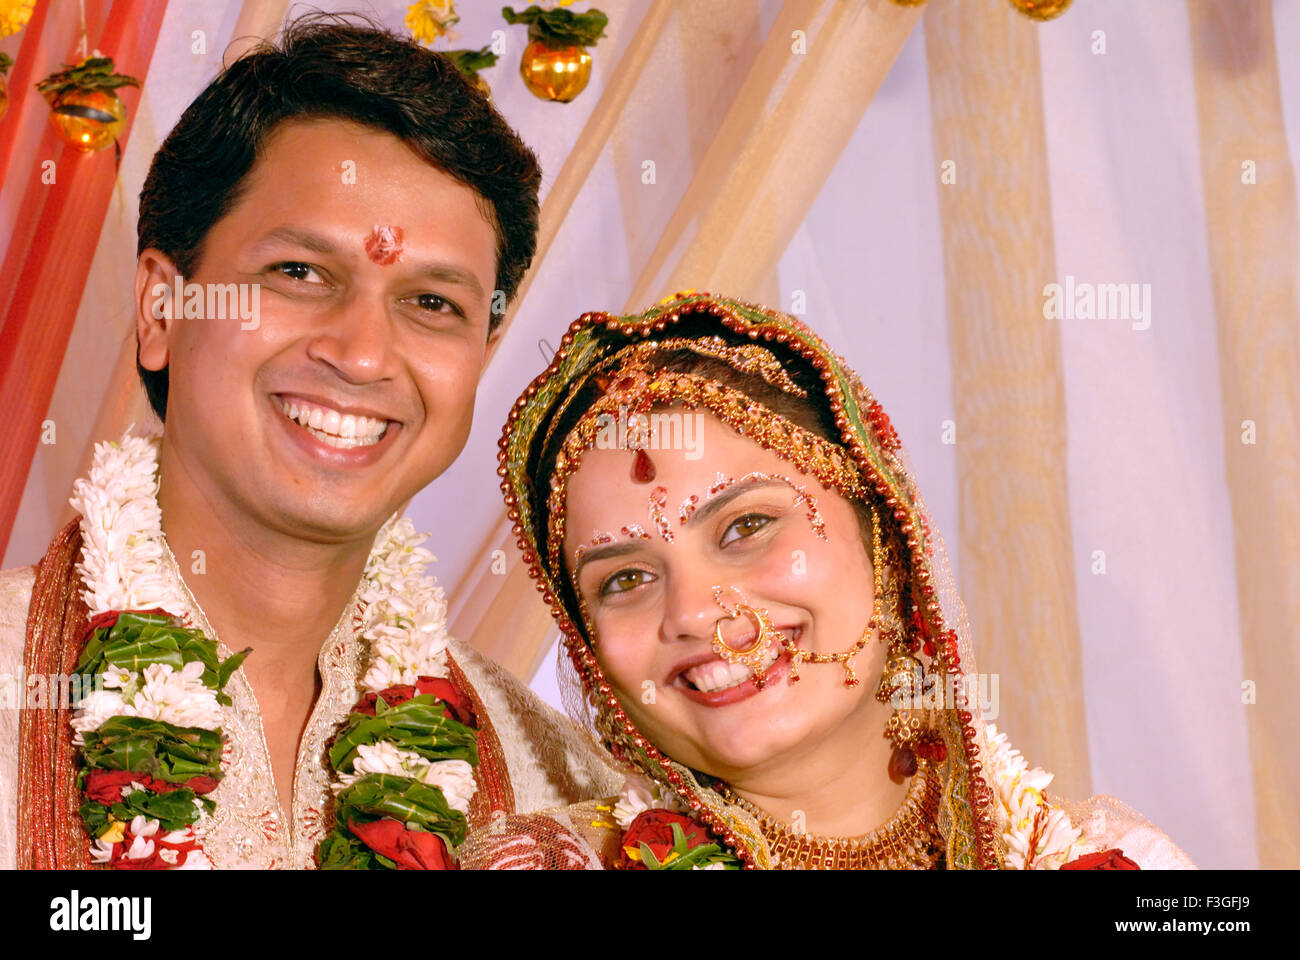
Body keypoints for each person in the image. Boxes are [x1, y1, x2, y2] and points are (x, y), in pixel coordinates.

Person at [0, 15, 620, 870]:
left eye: (433, 303)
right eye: (299, 273)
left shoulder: (560, 789)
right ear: (160, 310)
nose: (363, 354)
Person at [464, 290, 1196, 869]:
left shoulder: (1112, 865)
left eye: (745, 527)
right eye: (623, 579)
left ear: (884, 529)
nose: (691, 612)